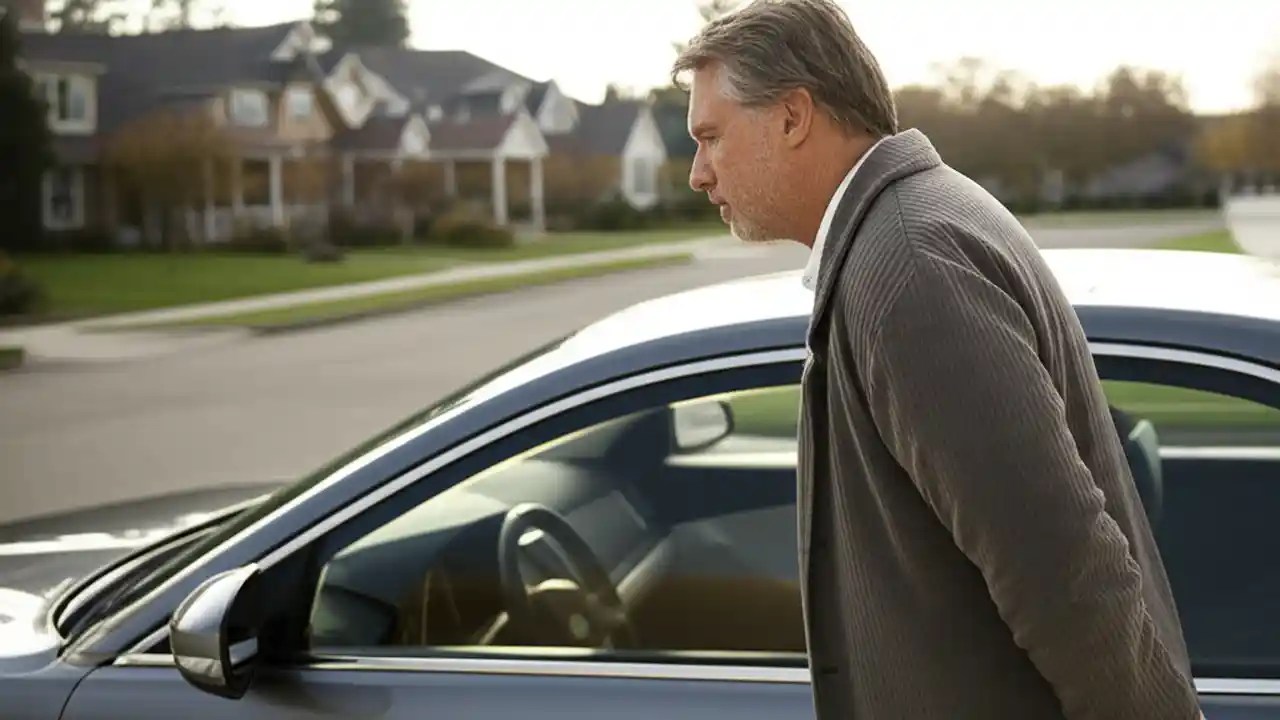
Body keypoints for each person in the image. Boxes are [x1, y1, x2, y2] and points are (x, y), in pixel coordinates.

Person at [672, 1, 1204, 718]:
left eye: (711, 137)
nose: (699, 174)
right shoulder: (913, 225)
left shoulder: (910, 266)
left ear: (794, 116)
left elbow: (1062, 570)